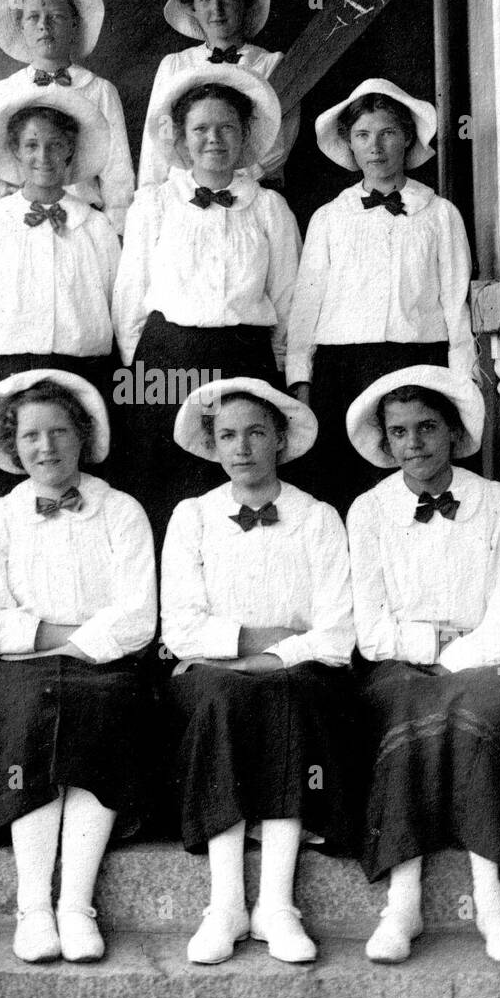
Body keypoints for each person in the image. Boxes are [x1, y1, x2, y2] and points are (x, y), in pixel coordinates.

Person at [345, 365, 500, 965]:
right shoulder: (367, 511)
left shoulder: (496, 504)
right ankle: (403, 901)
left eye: (426, 427)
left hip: (483, 661)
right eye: (398, 432)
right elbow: (372, 629)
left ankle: (493, 902)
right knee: (406, 710)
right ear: (385, 441)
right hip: (400, 667)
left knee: (481, 713)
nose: (413, 444)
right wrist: (433, 649)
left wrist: (457, 656)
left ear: (452, 431)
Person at [161, 378, 357, 965]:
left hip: (296, 676)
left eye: (255, 433)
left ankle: (276, 904)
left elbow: (337, 630)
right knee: (222, 694)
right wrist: (260, 641)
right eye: (227, 435)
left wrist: (266, 657)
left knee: (287, 691)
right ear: (214, 446)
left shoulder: (318, 518)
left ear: (280, 441)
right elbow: (181, 627)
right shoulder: (192, 517)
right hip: (211, 679)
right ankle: (225, 904)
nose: (241, 447)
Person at [0, 370, 156, 964]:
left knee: (94, 705)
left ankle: (75, 905)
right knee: (33, 706)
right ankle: (33, 907)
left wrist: (60, 642)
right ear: (12, 444)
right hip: (20, 673)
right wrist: (69, 636)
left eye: (58, 433)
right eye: (30, 437)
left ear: (82, 437)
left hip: (105, 669)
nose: (45, 448)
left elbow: (137, 619)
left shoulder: (120, 511)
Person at [112, 64, 300, 547]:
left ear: (245, 135)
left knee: (239, 483)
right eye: (200, 128)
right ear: (181, 136)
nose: (213, 139)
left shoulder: (268, 208)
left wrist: (273, 368)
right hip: (165, 360)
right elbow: (130, 302)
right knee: (162, 483)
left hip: (243, 357)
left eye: (226, 127)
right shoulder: (152, 204)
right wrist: (144, 375)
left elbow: (286, 302)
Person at [286, 78, 476, 517]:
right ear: (350, 144)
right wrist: (302, 380)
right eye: (363, 135)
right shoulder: (330, 218)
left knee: (414, 491)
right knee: (345, 488)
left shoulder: (439, 214)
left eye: (388, 132)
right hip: (342, 372)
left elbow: (455, 304)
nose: (376, 147)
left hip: (417, 365)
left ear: (407, 137)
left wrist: (461, 379)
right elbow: (305, 310)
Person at [0, 86, 120, 509]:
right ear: (15, 151)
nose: (43, 156)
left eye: (55, 145)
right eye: (31, 145)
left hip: (82, 376)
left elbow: (116, 304)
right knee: (1, 501)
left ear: (70, 151)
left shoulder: (95, 227)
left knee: (82, 501)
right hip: (4, 376)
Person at [0, 0, 134, 235]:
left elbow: (118, 174)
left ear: (74, 24)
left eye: (56, 17)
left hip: (81, 224)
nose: (44, 26)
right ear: (21, 27)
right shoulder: (3, 91)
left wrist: (115, 232)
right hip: (18, 225)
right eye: (33, 17)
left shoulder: (99, 90)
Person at [137, 0, 299, 189]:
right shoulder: (175, 65)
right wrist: (152, 193)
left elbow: (277, 142)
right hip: (182, 194)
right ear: (192, 6)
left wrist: (222, 180)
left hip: (250, 191)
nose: (217, 10)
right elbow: (159, 137)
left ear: (246, 3)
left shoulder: (272, 65)